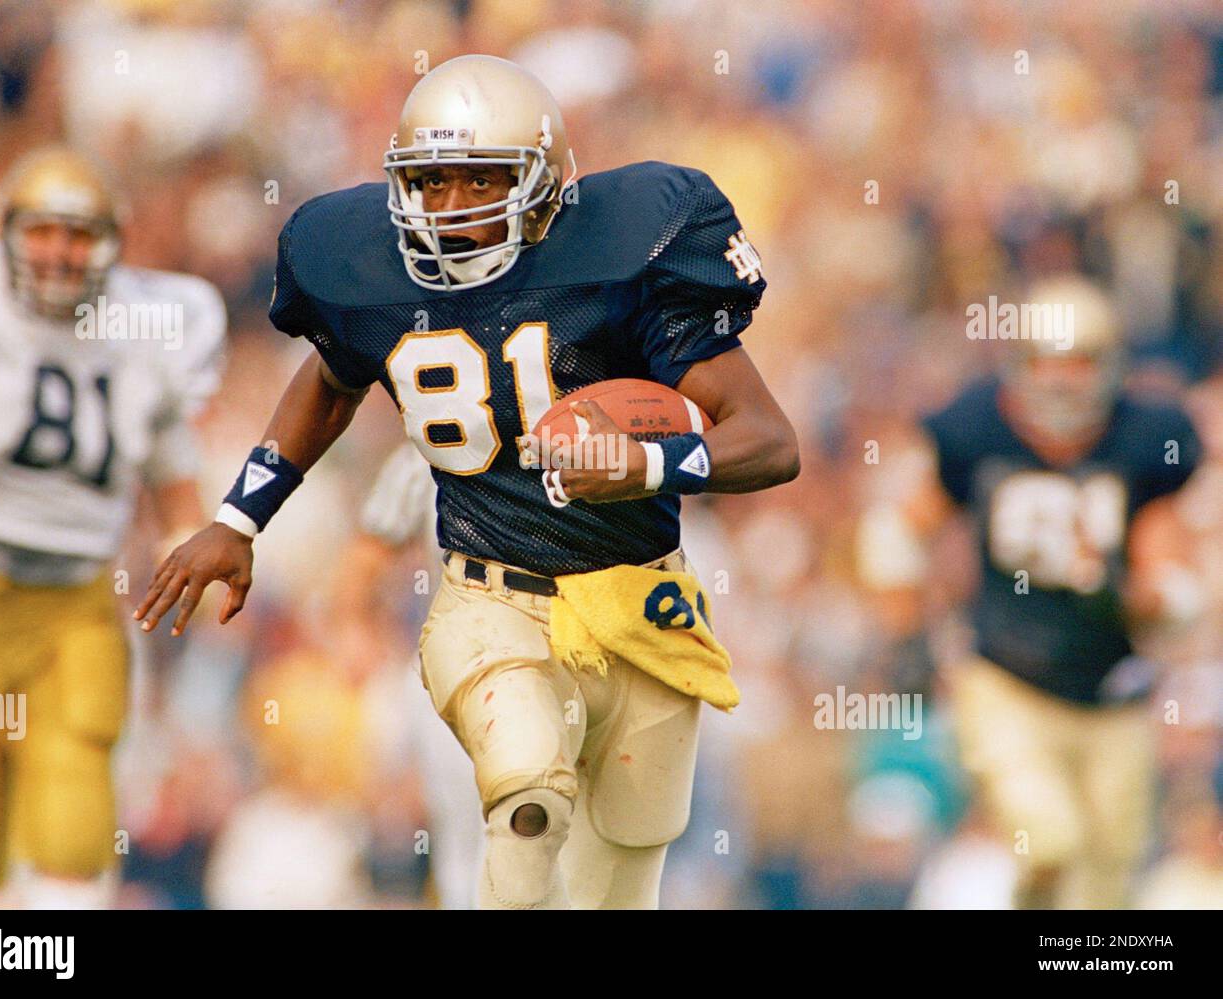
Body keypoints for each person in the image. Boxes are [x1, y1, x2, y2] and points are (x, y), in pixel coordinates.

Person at [136, 54, 799, 909]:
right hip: (491, 598)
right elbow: (331, 376)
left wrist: (642, 463)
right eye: (431, 180)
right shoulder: (360, 267)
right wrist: (238, 517)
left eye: (481, 180)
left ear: (548, 183)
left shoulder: (627, 249)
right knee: (526, 793)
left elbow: (770, 439)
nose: (451, 207)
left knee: (623, 871)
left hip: (640, 600)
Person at [0, 146, 226, 906]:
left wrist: (183, 531)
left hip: (74, 597)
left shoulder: (148, 324)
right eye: (43, 233)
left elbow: (167, 454)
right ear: (6, 235)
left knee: (73, 806)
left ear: (114, 241)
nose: (60, 255)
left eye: (80, 235)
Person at [857, 275, 1203, 908]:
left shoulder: (1147, 439)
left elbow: (1174, 586)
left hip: (1114, 694)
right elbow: (895, 534)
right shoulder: (976, 427)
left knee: (1109, 885)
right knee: (1048, 841)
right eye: (1046, 364)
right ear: (1018, 368)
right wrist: (907, 630)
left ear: (1109, 369)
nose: (1062, 383)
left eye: (1078, 364)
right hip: (1008, 681)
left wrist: (1125, 593)